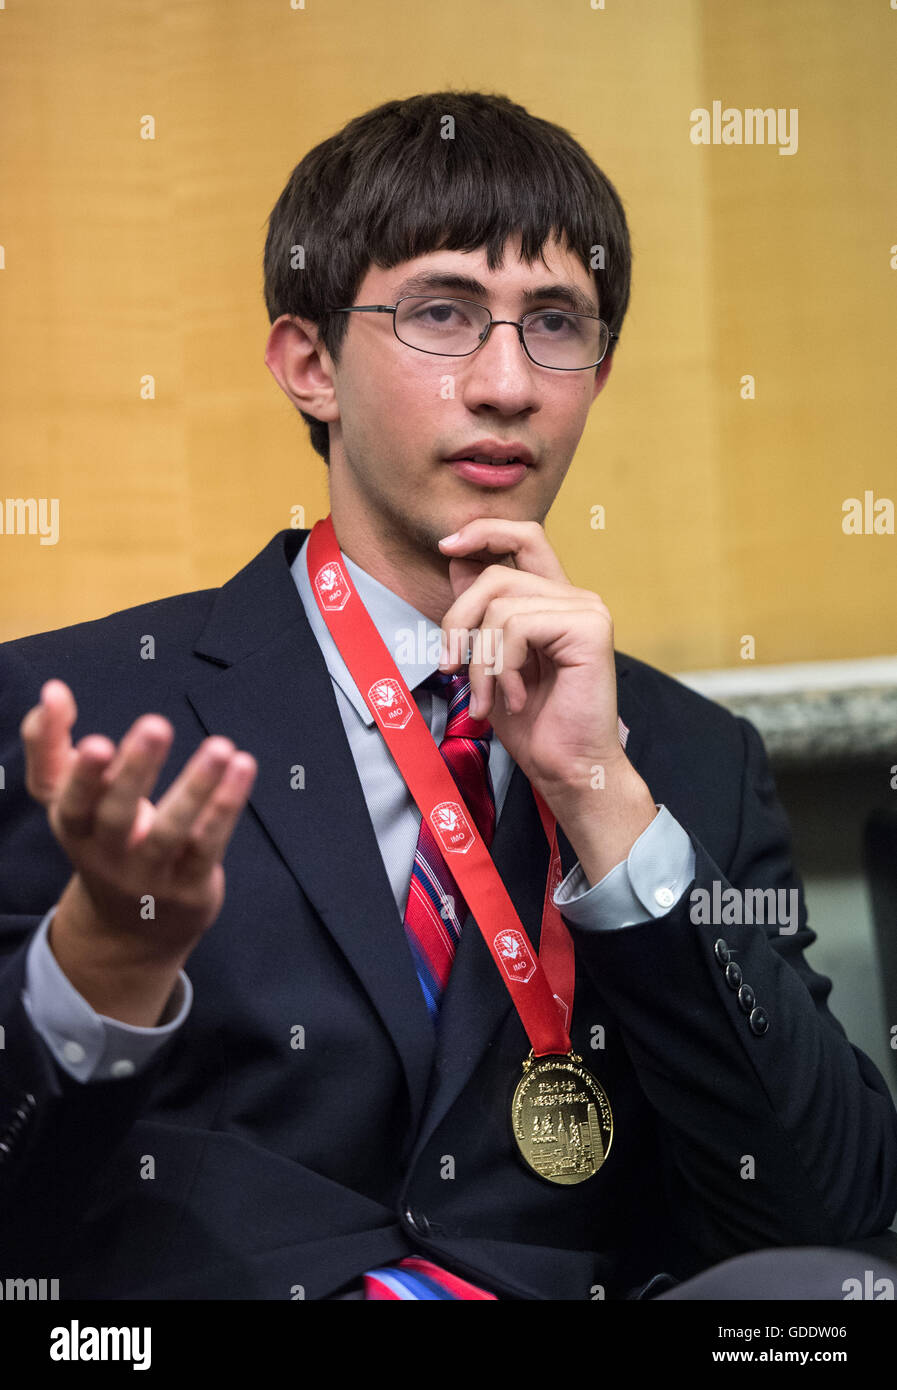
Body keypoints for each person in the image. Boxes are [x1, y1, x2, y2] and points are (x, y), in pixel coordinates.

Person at [1, 90, 895, 1303]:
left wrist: (601, 800)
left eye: (557, 326)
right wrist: (100, 963)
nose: (508, 383)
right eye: (443, 314)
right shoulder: (83, 713)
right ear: (309, 363)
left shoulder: (686, 758)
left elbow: (826, 1221)